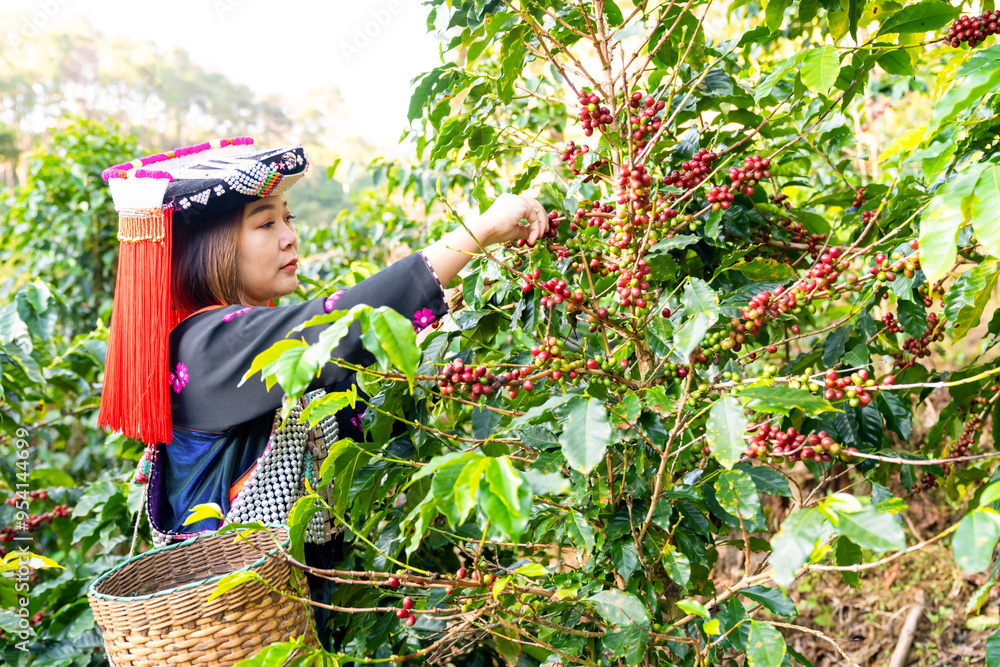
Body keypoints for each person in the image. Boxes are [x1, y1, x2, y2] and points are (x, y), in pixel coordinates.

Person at [97, 137, 547, 644]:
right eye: (266, 223)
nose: (290, 238)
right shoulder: (209, 344)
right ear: (212, 246)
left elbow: (344, 402)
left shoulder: (231, 338)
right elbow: (338, 323)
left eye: (288, 219)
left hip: (288, 621)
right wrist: (479, 231)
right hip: (241, 631)